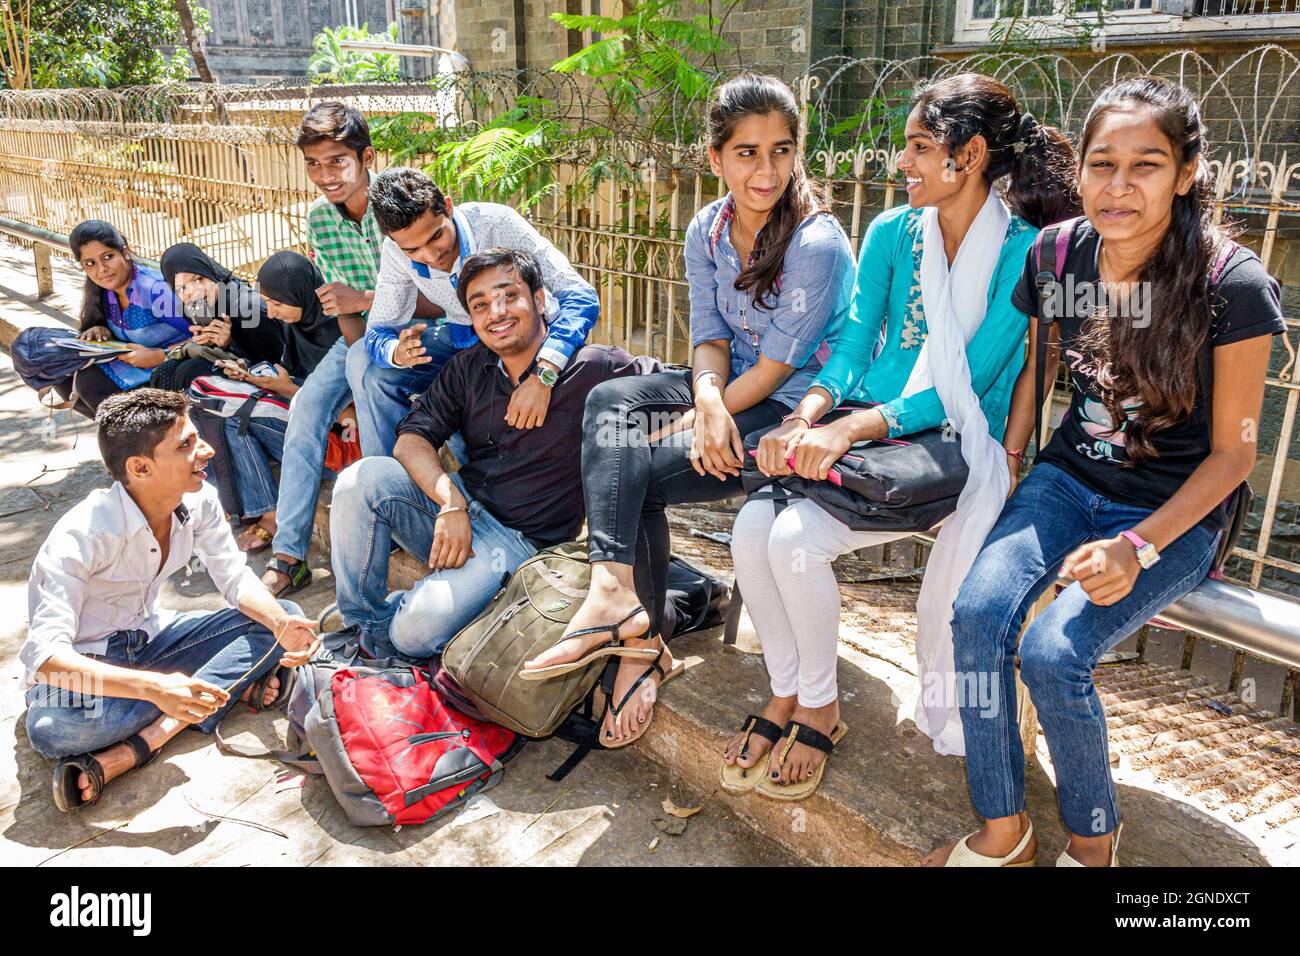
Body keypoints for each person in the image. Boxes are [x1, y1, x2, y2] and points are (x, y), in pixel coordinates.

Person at [924, 77, 1284, 867]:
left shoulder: (1230, 286)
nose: (1119, 186)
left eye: (1146, 165)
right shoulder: (1058, 251)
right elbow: (1038, 370)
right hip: (1067, 480)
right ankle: (1002, 825)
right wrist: (1007, 465)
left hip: (1172, 512)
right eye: (1102, 164)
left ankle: (1093, 841)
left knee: (1055, 653)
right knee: (977, 616)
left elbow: (1235, 452)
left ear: (1186, 172)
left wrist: (1140, 548)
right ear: (1078, 169)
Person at [722, 74, 1079, 797]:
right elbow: (855, 346)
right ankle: (791, 690)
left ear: (970, 154)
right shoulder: (891, 232)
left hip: (948, 446)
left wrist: (855, 425)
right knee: (749, 532)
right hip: (864, 431)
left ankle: (820, 706)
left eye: (920, 147)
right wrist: (811, 412)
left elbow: (968, 380)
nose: (902, 163)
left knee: (793, 543)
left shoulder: (1025, 253)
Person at [522, 73, 855, 750]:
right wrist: (703, 399)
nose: (766, 170)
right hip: (728, 385)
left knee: (633, 468)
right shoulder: (708, 228)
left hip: (796, 409)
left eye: (781, 151)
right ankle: (620, 599)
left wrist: (699, 417)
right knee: (610, 401)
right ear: (716, 158)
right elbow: (708, 336)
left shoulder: (814, 243)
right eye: (747, 153)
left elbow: (776, 371)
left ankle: (636, 639)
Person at [329, 248, 658, 659]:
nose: (496, 313)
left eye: (509, 296)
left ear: (539, 300)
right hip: (460, 514)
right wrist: (451, 503)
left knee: (414, 634)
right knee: (359, 480)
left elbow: (677, 390)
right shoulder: (471, 366)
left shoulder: (595, 367)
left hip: (520, 541)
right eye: (480, 305)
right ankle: (368, 627)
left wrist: (679, 424)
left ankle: (404, 619)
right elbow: (411, 439)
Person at [22, 389, 321, 811]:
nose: (207, 450)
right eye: (186, 445)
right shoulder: (82, 535)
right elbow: (46, 659)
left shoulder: (199, 500)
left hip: (152, 641)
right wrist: (155, 687)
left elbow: (234, 578)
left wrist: (280, 624)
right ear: (140, 467)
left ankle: (143, 743)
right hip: (83, 672)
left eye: (197, 437)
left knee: (283, 614)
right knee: (53, 730)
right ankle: (225, 687)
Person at [346, 166, 600, 457]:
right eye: (413, 250)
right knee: (371, 369)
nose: (431, 256)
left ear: (448, 206)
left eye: (436, 237)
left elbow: (581, 296)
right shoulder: (395, 253)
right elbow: (377, 331)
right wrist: (397, 352)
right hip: (464, 342)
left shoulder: (496, 223)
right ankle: (387, 482)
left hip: (526, 344)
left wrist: (544, 373)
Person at [219, 252, 347, 573]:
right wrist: (252, 376)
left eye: (277, 303)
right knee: (230, 408)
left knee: (240, 414)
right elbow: (290, 374)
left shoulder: (342, 331)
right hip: (304, 429)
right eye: (266, 303)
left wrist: (288, 389)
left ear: (300, 293)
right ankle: (267, 511)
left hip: (339, 442)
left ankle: (276, 524)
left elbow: (343, 408)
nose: (271, 313)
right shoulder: (297, 324)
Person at [48, 221, 189, 418]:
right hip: (137, 371)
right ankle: (132, 439)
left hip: (174, 372)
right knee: (56, 368)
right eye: (90, 263)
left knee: (89, 382)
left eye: (108, 257)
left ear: (125, 251)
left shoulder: (155, 290)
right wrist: (100, 329)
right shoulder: (105, 292)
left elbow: (208, 336)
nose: (102, 269)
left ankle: (142, 440)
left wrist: (162, 355)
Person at [158, 242, 287, 379]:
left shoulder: (249, 308)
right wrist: (210, 343)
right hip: (240, 371)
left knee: (189, 371)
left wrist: (231, 344)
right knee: (170, 371)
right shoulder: (194, 308)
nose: (195, 292)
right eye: (182, 288)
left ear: (210, 272)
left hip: (279, 381)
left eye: (199, 279)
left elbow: (279, 367)